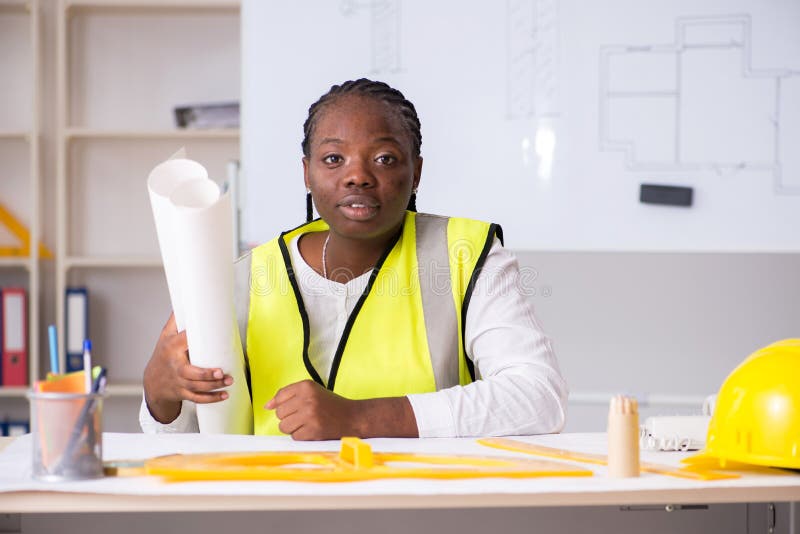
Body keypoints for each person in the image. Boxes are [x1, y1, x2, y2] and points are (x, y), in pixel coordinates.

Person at [141, 78, 568, 440]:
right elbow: (187, 440)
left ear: (416, 172)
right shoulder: (243, 278)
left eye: (384, 159)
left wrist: (363, 419)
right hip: (280, 500)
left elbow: (538, 397)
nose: (358, 175)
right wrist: (161, 395)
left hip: (422, 499)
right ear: (307, 173)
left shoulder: (467, 255)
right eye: (333, 159)